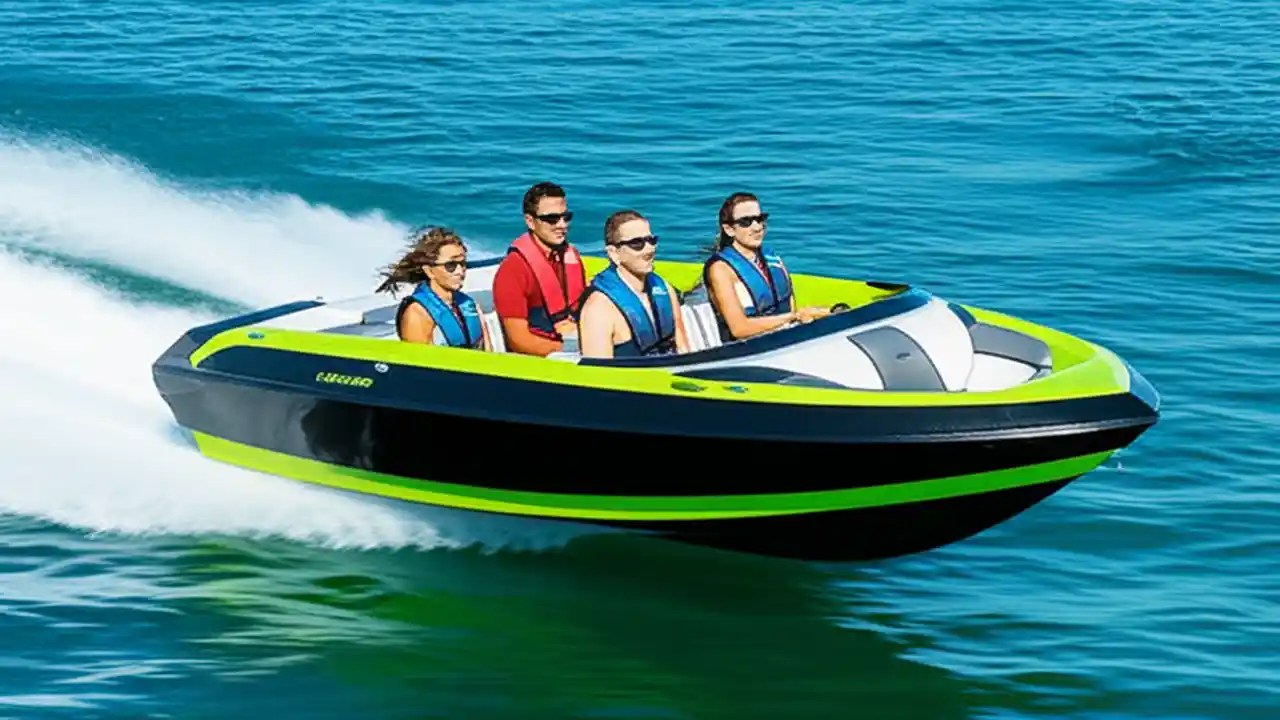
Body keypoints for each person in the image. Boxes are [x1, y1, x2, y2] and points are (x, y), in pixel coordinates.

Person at [701, 191, 828, 342]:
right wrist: (793, 317)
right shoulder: (721, 269)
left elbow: (791, 305)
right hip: (748, 349)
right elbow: (739, 329)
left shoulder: (772, 258)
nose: (757, 227)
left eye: (760, 219)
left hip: (786, 337)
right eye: (746, 222)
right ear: (729, 229)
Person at [491, 181, 588, 356]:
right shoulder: (514, 270)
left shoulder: (570, 257)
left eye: (566, 217)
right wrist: (577, 351)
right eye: (552, 219)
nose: (562, 225)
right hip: (546, 360)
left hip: (579, 341)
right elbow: (519, 341)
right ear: (530, 221)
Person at [579, 210, 689, 359]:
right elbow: (598, 375)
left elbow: (683, 349)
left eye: (651, 240)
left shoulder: (665, 290)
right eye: (637, 243)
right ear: (614, 253)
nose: (649, 249)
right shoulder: (599, 309)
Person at [375, 225, 492, 350]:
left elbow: (489, 353)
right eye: (450, 265)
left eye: (463, 264)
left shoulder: (470, 305)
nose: (460, 271)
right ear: (429, 271)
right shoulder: (417, 313)